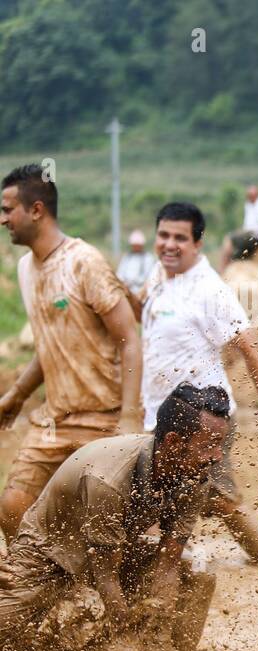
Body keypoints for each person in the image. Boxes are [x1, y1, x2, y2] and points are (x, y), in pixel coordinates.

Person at [0, 384, 229, 651]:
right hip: (49, 553)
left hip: (118, 547)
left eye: (221, 444)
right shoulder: (108, 479)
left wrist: (155, 627)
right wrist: (125, 629)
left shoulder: (195, 476)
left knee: (197, 572)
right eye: (209, 445)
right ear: (172, 442)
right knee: (4, 640)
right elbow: (106, 577)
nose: (218, 455)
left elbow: (167, 563)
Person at [141, 202, 258, 566]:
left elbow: (249, 346)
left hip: (204, 419)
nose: (169, 244)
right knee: (160, 495)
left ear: (197, 243)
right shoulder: (157, 276)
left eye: (180, 238)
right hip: (162, 416)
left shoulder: (210, 290)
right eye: (163, 235)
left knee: (218, 499)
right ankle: (171, 565)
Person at [0, 164, 144, 542]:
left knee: (109, 528)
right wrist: (15, 397)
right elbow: (51, 346)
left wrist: (129, 417)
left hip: (103, 418)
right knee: (14, 506)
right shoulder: (25, 269)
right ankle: (51, 586)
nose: (2, 220)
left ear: (36, 210)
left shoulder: (84, 262)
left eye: (7, 209)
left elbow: (129, 336)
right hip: (54, 421)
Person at [116, 230, 156, 297]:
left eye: (137, 245)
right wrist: (122, 283)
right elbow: (120, 273)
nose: (136, 247)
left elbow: (148, 277)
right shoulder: (126, 257)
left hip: (141, 291)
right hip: (125, 290)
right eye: (134, 245)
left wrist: (132, 282)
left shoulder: (148, 258)